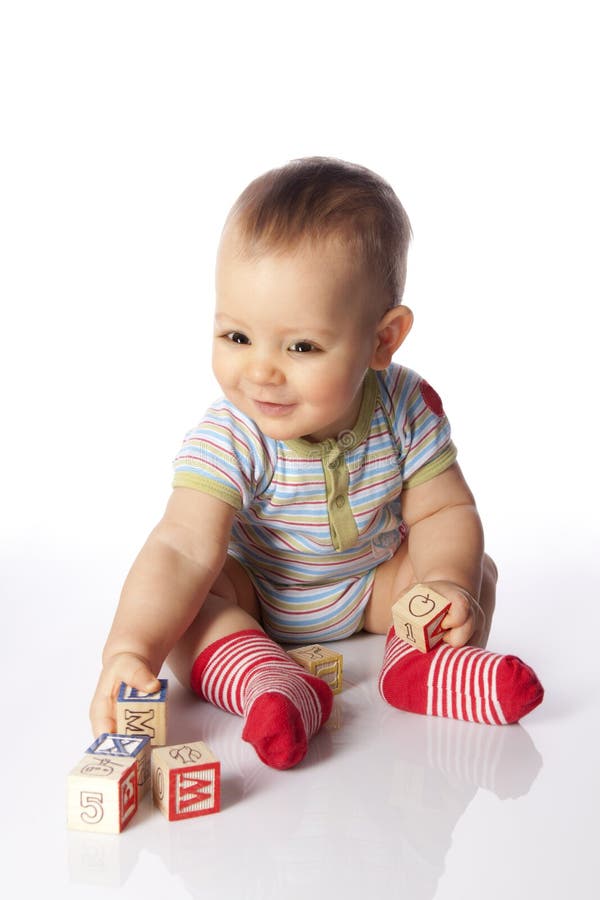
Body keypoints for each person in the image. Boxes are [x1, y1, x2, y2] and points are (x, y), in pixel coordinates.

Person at [90, 157, 543, 770]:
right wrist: (130, 648)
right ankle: (266, 682)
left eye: (301, 346)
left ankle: (422, 667)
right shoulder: (233, 436)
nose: (261, 371)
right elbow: (180, 547)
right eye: (236, 337)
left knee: (475, 569)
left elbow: (445, 508)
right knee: (192, 606)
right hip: (256, 599)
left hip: (373, 589)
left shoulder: (405, 407)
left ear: (382, 340)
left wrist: (444, 585)